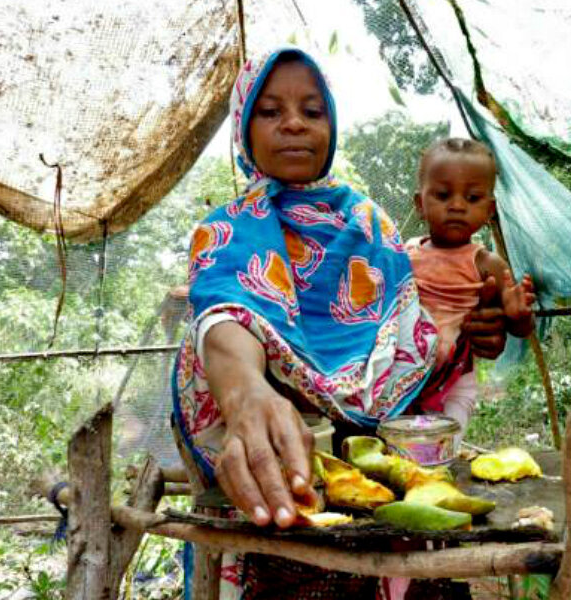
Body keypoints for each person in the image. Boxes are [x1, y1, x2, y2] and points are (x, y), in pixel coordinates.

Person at [172, 47, 508, 598]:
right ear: (243, 127)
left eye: (312, 109)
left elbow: (408, 329)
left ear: (331, 121)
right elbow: (226, 319)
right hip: (277, 479)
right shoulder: (226, 231)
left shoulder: (368, 223)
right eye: (270, 110)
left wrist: (469, 334)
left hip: (370, 483)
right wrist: (247, 395)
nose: (295, 123)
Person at [408, 138, 536, 431]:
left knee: (444, 444)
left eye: (472, 198)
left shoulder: (487, 264)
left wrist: (519, 315)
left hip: (456, 379)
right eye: (442, 195)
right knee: (402, 444)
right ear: (419, 204)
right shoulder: (405, 255)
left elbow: (518, 330)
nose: (456, 206)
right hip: (405, 375)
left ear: (489, 210)